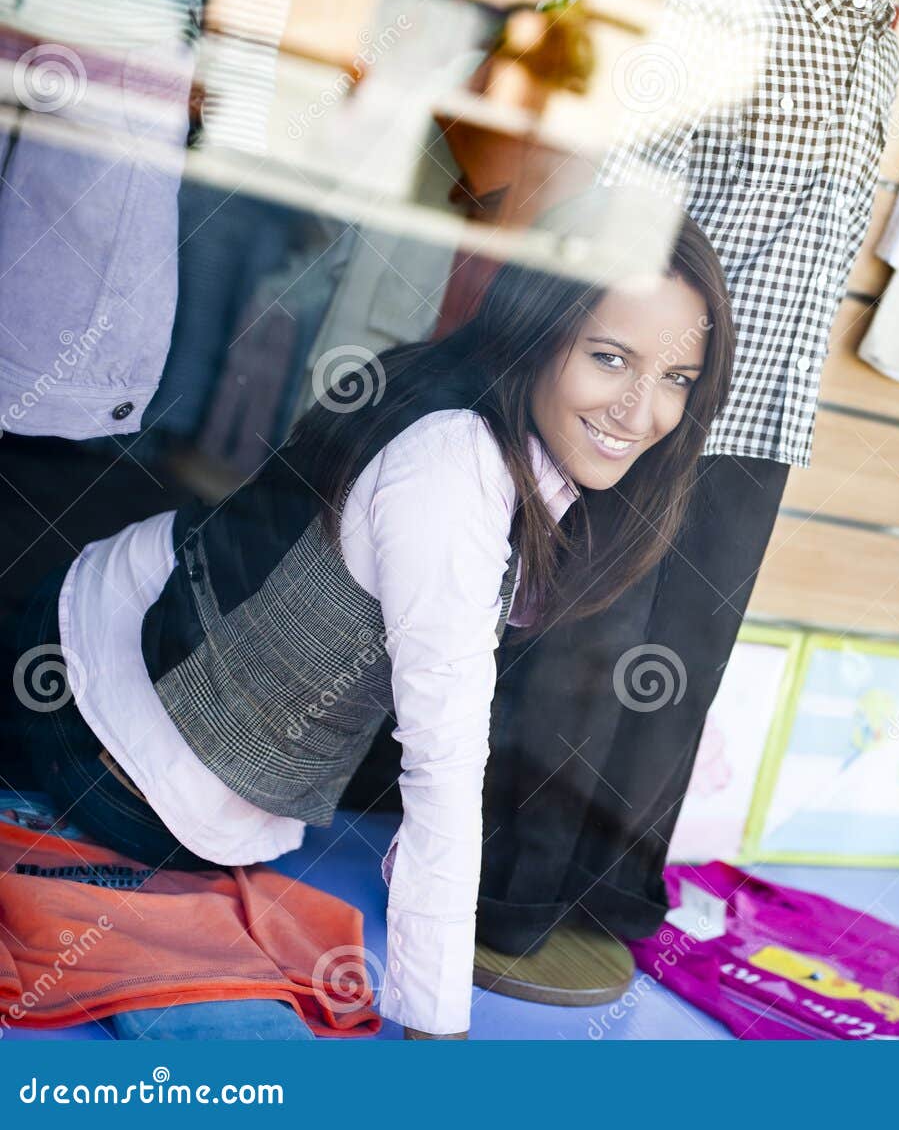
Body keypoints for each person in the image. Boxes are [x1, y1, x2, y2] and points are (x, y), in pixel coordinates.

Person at [1, 193, 733, 1039]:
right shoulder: (451, 471)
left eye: (676, 378)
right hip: (103, 719)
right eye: (610, 358)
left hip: (146, 660)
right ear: (539, 329)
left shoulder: (496, 416)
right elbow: (444, 769)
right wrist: (435, 1034)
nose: (641, 412)